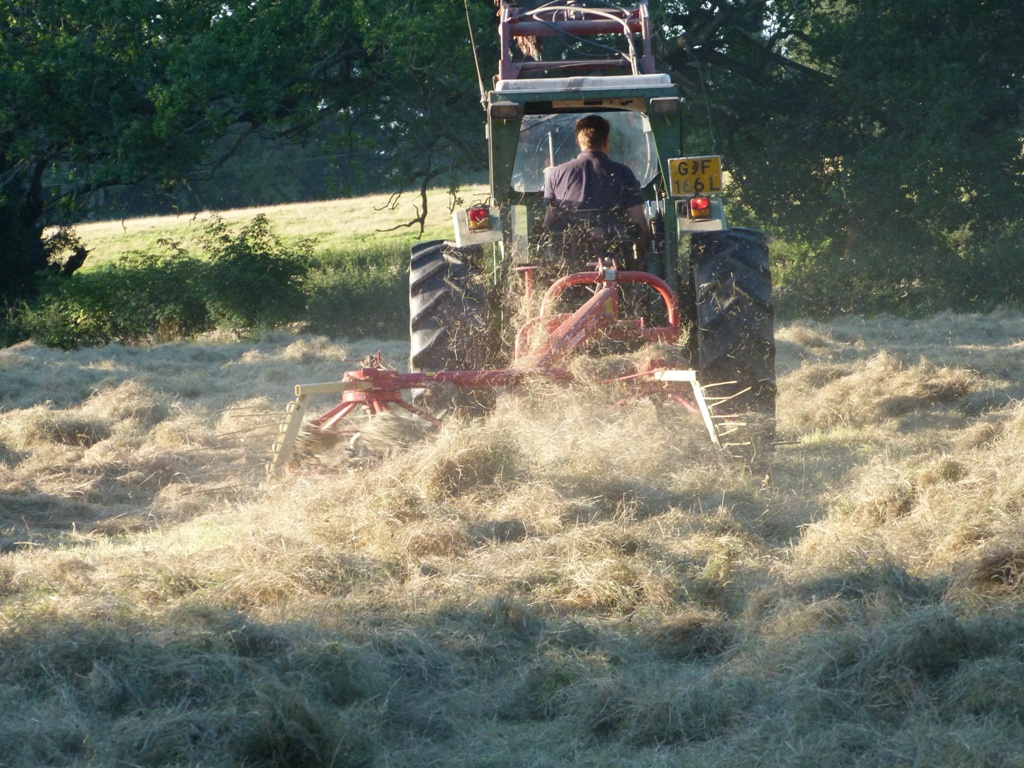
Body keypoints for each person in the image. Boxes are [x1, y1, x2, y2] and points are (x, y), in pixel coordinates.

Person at [542, 114, 651, 271]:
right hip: (617, 260)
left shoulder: (556, 174)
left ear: (578, 142)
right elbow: (639, 220)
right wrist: (642, 256)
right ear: (606, 141)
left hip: (570, 264)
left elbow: (550, 219)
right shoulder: (624, 173)